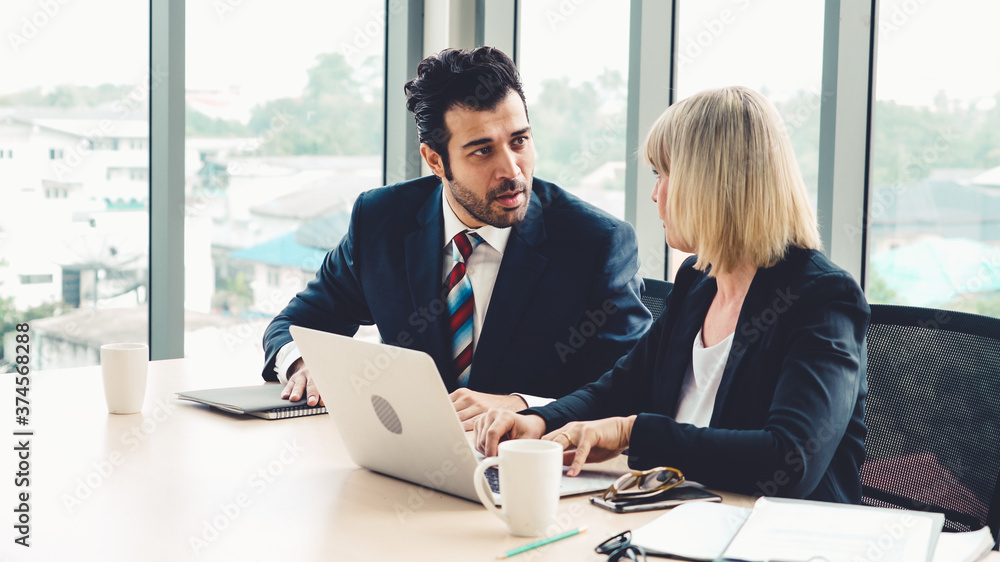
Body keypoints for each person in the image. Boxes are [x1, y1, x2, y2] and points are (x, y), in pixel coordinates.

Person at [475, 86, 870, 503]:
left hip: (772, 538)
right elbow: (620, 387)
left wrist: (631, 432)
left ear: (710, 186)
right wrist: (538, 420)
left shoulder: (822, 298)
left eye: (662, 175)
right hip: (676, 514)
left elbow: (788, 461)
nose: (654, 194)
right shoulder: (699, 281)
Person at [261, 47, 651, 429]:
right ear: (435, 160)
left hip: (525, 471)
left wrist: (521, 406)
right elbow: (296, 325)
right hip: (406, 459)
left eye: (519, 141)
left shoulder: (596, 243)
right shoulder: (381, 221)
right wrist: (302, 363)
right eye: (482, 151)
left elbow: (633, 389)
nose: (511, 170)